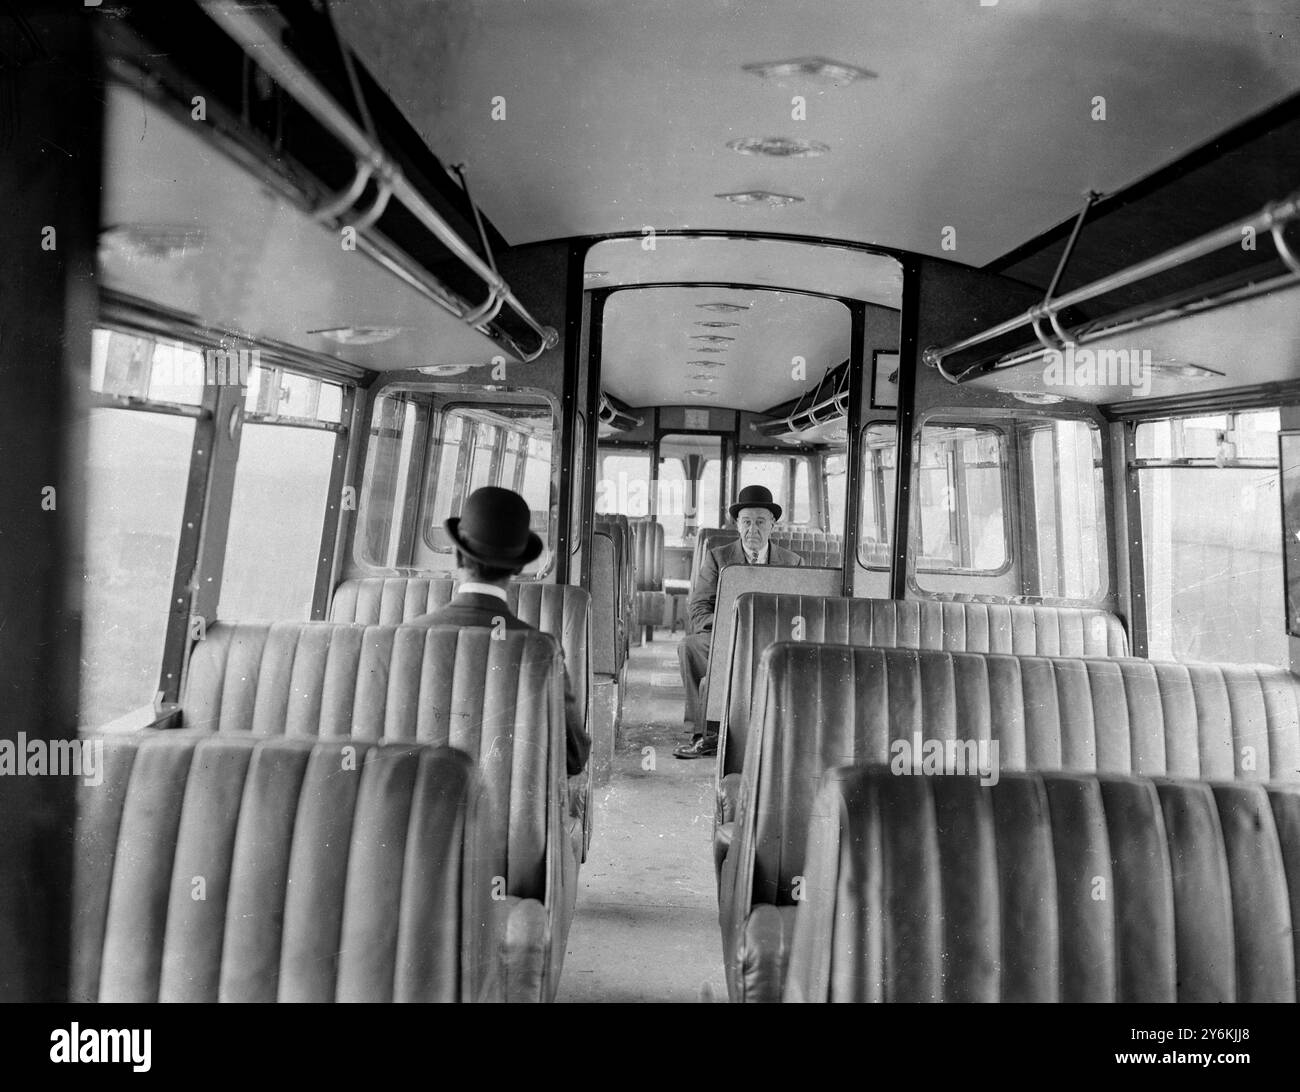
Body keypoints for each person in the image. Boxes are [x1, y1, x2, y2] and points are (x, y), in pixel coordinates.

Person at [406, 486, 590, 776]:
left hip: (419, 813)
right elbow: (574, 758)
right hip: (510, 818)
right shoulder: (540, 649)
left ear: (457, 556)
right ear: (517, 568)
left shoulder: (407, 635)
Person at [673, 485, 804, 759]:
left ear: (773, 525)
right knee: (690, 646)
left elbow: (801, 611)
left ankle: (779, 736)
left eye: (760, 522)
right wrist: (724, 629)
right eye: (746, 522)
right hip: (725, 635)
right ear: (737, 525)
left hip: (774, 640)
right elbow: (698, 607)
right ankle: (703, 733)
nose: (752, 530)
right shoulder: (717, 557)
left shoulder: (793, 562)